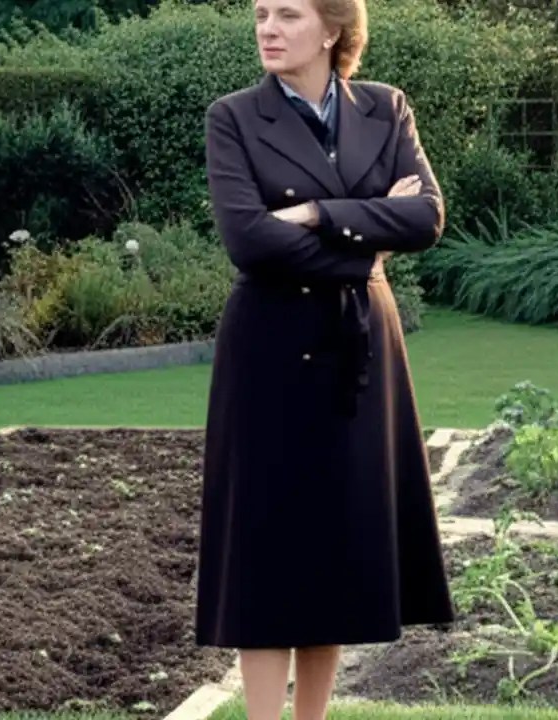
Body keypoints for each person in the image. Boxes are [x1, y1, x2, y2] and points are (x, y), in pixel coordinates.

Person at [194, 0, 454, 715]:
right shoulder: (234, 117)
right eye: (260, 15)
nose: (267, 29)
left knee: (336, 544)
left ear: (334, 29)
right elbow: (249, 241)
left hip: (358, 348)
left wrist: (317, 214)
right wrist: (372, 228)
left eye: (288, 14)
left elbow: (426, 216)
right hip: (270, 350)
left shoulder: (385, 107)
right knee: (268, 547)